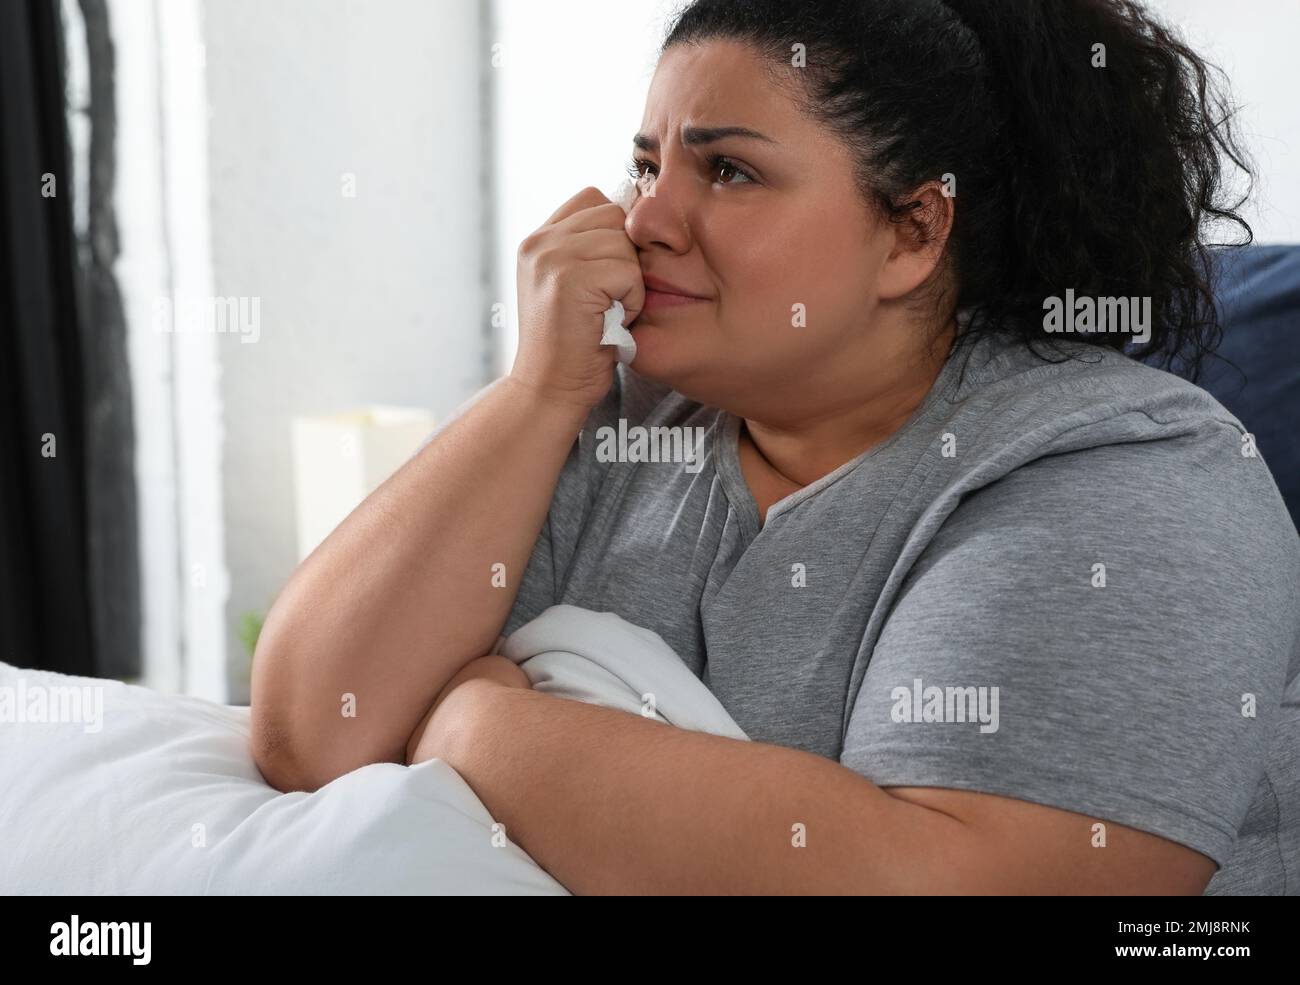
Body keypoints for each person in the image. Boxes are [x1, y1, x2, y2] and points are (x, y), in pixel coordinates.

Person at [251, 0, 1299, 894]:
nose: (644, 219)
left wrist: (475, 734)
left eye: (730, 172)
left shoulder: (1124, 480)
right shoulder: (608, 417)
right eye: (644, 163)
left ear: (913, 232)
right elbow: (312, 732)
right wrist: (536, 393)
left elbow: (948, 887)